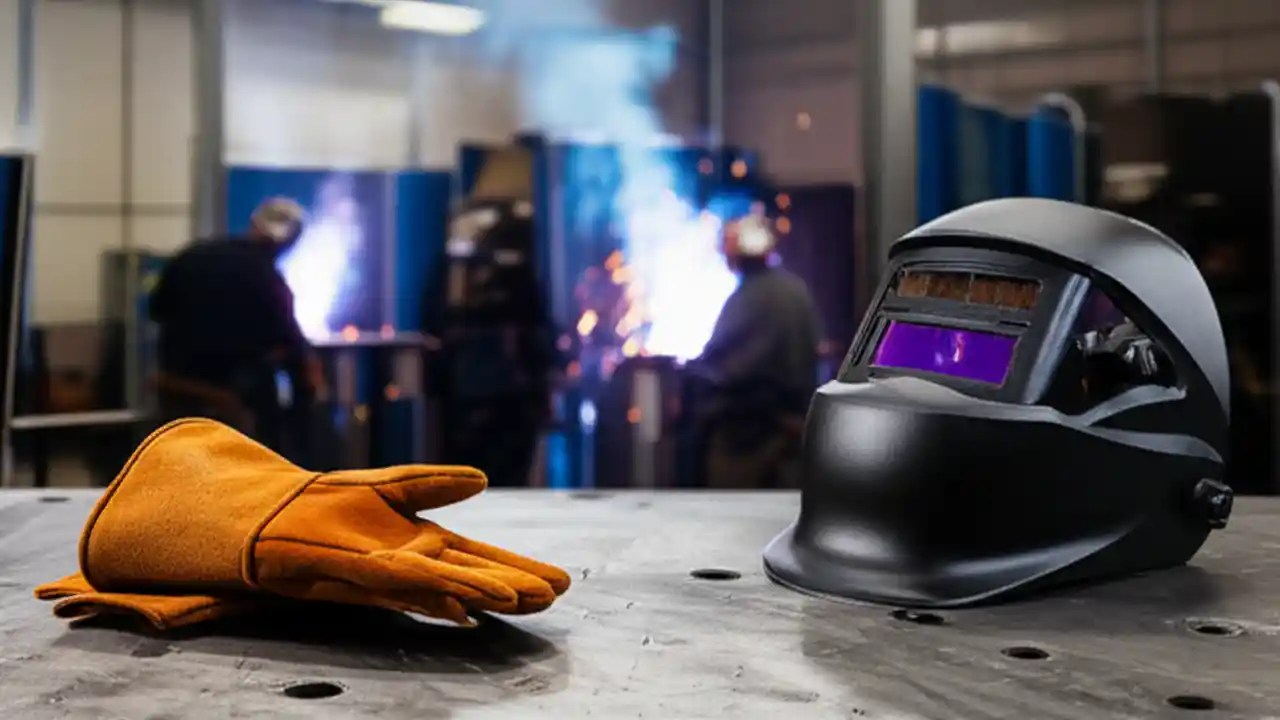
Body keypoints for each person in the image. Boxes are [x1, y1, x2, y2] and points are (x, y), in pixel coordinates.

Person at [149, 197, 325, 456]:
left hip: (175, 392)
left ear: (253, 224)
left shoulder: (191, 256)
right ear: (289, 244)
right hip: (228, 402)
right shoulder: (269, 282)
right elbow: (293, 346)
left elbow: (156, 310)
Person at [693, 212, 823, 489]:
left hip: (749, 437)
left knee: (733, 517)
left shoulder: (747, 300)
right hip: (794, 432)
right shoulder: (795, 291)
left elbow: (724, 366)